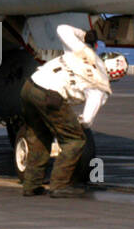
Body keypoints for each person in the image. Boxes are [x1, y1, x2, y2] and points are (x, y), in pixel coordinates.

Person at [19, 24, 112, 198]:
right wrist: (80, 122)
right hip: (50, 96)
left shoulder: (82, 50)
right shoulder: (101, 86)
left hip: (29, 86)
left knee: (38, 135)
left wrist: (85, 35)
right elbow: (87, 118)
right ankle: (59, 185)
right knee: (75, 140)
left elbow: (62, 29)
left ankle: (31, 185)